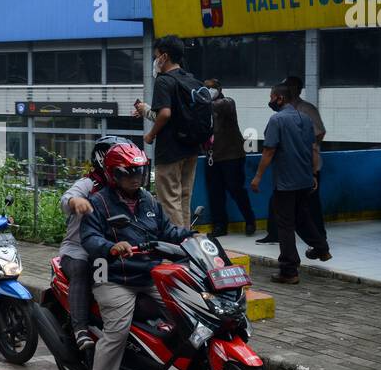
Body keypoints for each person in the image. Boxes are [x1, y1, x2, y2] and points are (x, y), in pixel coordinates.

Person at [80, 142, 196, 370]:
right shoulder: (99, 202)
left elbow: (167, 232)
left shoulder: (148, 201)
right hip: (114, 278)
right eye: (128, 172)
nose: (135, 177)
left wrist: (192, 235)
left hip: (149, 274)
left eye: (139, 172)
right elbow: (89, 238)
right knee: (117, 330)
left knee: (191, 309)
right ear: (113, 174)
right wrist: (111, 246)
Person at [250, 83, 330, 284]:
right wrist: (312, 174)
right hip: (304, 179)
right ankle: (321, 247)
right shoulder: (305, 118)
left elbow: (269, 151)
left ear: (279, 98)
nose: (270, 101)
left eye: (271, 97)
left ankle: (288, 270)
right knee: (301, 217)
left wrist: (258, 175)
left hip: (286, 182)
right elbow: (313, 148)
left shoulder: (277, 120)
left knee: (285, 224)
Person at [59, 135, 131, 355]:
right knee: (84, 270)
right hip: (78, 249)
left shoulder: (126, 189)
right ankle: (80, 328)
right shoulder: (89, 184)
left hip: (111, 248)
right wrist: (76, 202)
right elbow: (66, 198)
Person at [133, 35, 203, 227]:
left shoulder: (164, 81)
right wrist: (147, 110)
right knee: (184, 197)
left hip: (170, 149)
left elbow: (164, 114)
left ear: (164, 57)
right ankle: (187, 242)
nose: (155, 61)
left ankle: (177, 245)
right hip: (191, 148)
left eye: (156, 56)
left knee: (169, 200)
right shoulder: (191, 80)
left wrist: (150, 135)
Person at [255, 75, 326, 245]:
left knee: (304, 210)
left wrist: (258, 176)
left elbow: (269, 150)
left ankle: (318, 242)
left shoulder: (304, 111)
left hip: (299, 170)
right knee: (289, 209)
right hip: (295, 170)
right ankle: (318, 245)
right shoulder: (289, 115)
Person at [201, 79, 256, 237]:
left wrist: (199, 102)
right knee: (215, 193)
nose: (209, 90)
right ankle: (220, 225)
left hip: (231, 156)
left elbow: (218, 106)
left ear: (219, 89)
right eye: (206, 88)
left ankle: (249, 220)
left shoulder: (227, 103)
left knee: (236, 189)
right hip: (211, 157)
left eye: (212, 88)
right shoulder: (203, 109)